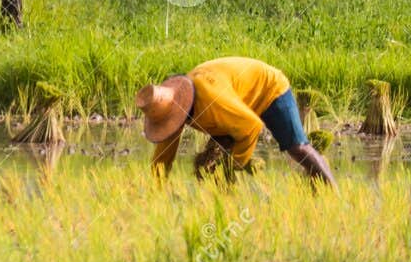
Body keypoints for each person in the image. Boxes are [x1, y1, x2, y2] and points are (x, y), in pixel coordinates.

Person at [136, 56, 334, 183]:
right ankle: (228, 201)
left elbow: (251, 126)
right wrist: (156, 193)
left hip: (269, 89)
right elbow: (162, 160)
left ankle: (333, 193)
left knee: (297, 148)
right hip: (238, 100)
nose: (173, 124)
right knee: (212, 161)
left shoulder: (213, 100)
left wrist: (232, 166)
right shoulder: (172, 106)